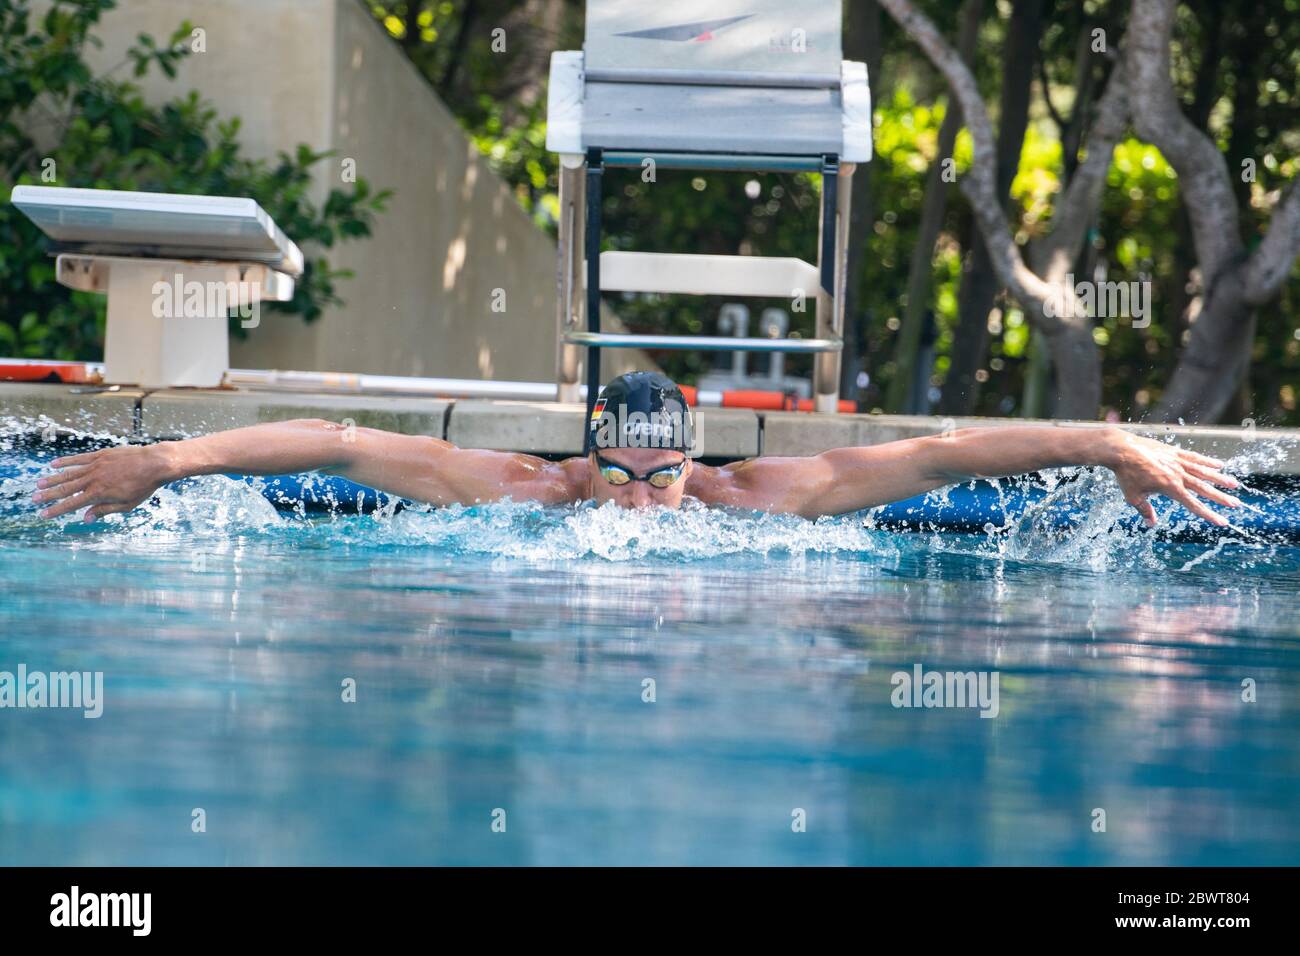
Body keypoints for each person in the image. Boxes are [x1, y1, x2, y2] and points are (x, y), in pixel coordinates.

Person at [34, 371, 1241, 526]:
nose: (642, 497)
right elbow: (340, 442)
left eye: (666, 473)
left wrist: (1099, 437)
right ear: (584, 456)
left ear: (695, 460)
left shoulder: (756, 495)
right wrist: (173, 459)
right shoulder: (520, 486)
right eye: (620, 472)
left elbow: (938, 452)